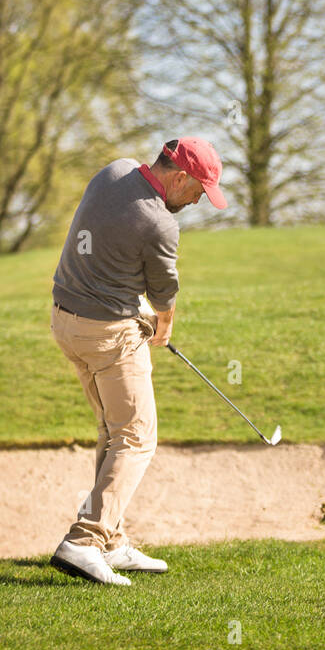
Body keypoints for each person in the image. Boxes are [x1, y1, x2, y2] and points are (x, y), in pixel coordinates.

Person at [49, 138, 227, 584]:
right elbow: (163, 292)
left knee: (113, 430)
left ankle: (110, 541)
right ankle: (84, 541)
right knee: (136, 437)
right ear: (180, 176)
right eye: (198, 190)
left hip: (66, 322)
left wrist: (137, 310)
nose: (198, 199)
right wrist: (161, 326)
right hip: (108, 335)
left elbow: (111, 256)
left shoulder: (115, 171)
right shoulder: (161, 223)